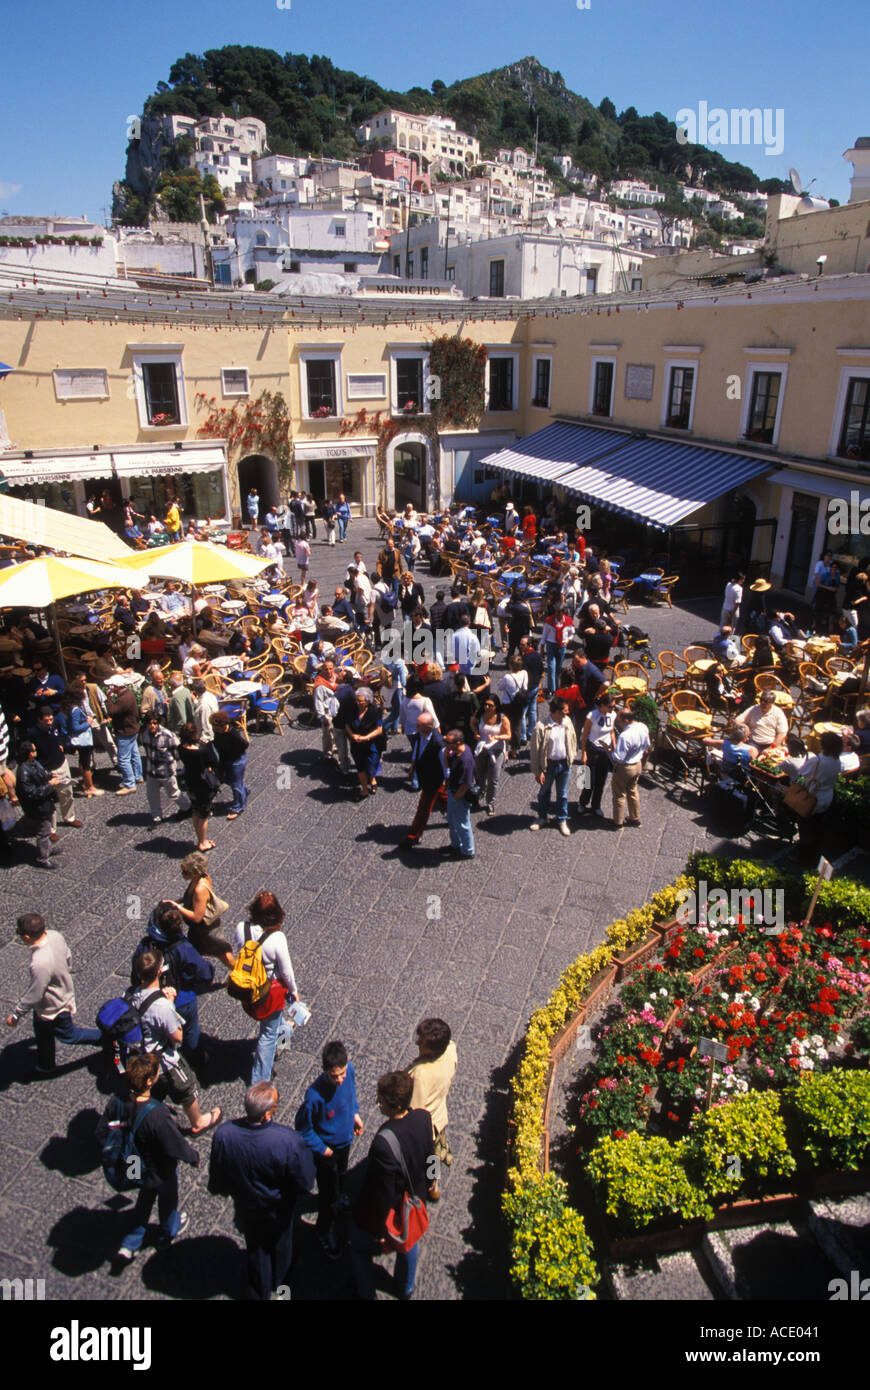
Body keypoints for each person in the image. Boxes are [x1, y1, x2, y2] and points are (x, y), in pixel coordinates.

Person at [208, 1081, 314, 1301]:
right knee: (282, 1243)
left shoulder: (225, 1134)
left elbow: (218, 1175)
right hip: (278, 1207)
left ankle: (260, 1293)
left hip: (247, 1206)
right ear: (266, 1115)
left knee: (256, 1250)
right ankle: (281, 1282)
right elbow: (305, 1181)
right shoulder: (288, 1140)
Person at [97, 1054, 199, 1263]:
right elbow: (174, 1144)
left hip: (134, 1164)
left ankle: (130, 1243)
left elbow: (100, 1133)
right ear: (149, 1081)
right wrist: (192, 1157)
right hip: (160, 1169)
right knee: (168, 1201)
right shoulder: (157, 1114)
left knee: (144, 1201)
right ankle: (166, 1234)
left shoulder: (116, 1101)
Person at [351, 1070, 437, 1301]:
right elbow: (432, 1155)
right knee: (410, 1240)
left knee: (358, 1247)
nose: (378, 1103)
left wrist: (379, 1231)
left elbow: (383, 1193)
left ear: (393, 1105)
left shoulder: (384, 1141)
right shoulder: (423, 1117)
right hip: (417, 1196)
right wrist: (431, 1183)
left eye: (381, 1100)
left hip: (397, 1204)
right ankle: (405, 1287)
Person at [129, 947, 221, 1135]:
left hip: (142, 1053)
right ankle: (198, 1122)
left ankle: (143, 1113)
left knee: (153, 1090)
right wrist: (170, 1001)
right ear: (159, 971)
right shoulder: (162, 1006)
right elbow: (177, 1036)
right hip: (163, 1061)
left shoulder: (131, 994)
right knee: (186, 1087)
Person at [5, 913, 102, 1073]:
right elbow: (68, 955)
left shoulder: (39, 962)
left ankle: (105, 1038)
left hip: (54, 1006)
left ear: (27, 936)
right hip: (56, 997)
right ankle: (46, 1064)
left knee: (69, 1035)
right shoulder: (55, 936)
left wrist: (17, 1014)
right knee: (42, 1031)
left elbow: (35, 993)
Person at [297, 1040, 364, 1257]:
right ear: (324, 1070)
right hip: (327, 1150)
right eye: (334, 1076)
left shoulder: (349, 1071)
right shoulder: (314, 1096)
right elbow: (304, 1129)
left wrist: (355, 1114)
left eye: (342, 1073)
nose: (340, 1079)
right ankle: (324, 1232)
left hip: (345, 1142)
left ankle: (341, 1197)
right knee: (327, 1196)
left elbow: (351, 1093)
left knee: (342, 1175)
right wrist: (322, 1149)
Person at [132, 901, 213, 1068]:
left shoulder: (146, 945)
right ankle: (196, 1060)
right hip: (183, 999)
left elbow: (136, 972)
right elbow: (204, 973)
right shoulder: (183, 947)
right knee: (190, 1030)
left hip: (153, 1000)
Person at [231, 891, 299, 1086]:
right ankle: (259, 1082)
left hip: (247, 989)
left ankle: (285, 1036)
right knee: (268, 1034)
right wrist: (294, 991)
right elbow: (286, 972)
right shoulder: (277, 938)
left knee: (274, 1023)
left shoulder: (241, 928)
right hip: (270, 993)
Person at [407, 1019, 457, 1198]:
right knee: (434, 1155)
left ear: (433, 1050)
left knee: (426, 1156)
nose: (417, 1042)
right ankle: (434, 1185)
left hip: (426, 1126)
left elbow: (415, 1109)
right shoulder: (450, 1049)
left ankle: (427, 1184)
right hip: (439, 1116)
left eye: (422, 1042)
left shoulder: (420, 1073)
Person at [169, 851, 234, 968]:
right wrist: (177, 901)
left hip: (207, 931)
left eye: (186, 872)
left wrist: (177, 907)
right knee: (193, 952)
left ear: (196, 873)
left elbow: (197, 917)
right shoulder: (202, 877)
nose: (182, 874)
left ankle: (241, 977)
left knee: (223, 954)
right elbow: (191, 898)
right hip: (197, 930)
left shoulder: (200, 890)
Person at [28, 705, 82, 828]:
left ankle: (69, 817)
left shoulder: (55, 724)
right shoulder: (33, 733)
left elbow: (64, 735)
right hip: (47, 768)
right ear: (39, 720)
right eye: (46, 720)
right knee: (49, 799)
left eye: (51, 719)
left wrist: (62, 744)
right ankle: (51, 828)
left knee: (67, 793)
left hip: (61, 763)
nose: (49, 722)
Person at [399, 713, 447, 851]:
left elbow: (445, 765)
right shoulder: (421, 735)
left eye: (419, 725)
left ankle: (413, 836)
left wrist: (447, 780)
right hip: (424, 775)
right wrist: (413, 767)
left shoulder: (438, 743)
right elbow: (417, 751)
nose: (416, 726)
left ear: (429, 727)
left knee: (423, 809)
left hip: (432, 779)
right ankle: (453, 811)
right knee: (442, 796)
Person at [530, 697, 576, 834]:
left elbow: (573, 740)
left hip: (564, 764)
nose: (566, 715)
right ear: (555, 711)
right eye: (564, 712)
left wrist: (571, 757)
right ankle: (542, 817)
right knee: (544, 793)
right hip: (548, 765)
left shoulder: (567, 722)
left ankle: (562, 820)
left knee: (563, 794)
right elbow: (535, 751)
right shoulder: (541, 727)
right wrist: (538, 772)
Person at [14, 741, 64, 869]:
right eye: (34, 750)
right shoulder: (24, 771)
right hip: (37, 807)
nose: (36, 751)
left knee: (46, 827)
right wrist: (50, 785)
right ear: (29, 754)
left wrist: (50, 775)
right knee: (44, 831)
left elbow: (41, 772)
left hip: (44, 803)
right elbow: (32, 793)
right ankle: (43, 858)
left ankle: (46, 849)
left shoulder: (33, 763)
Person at [177, 721, 220, 851]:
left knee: (196, 810)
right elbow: (212, 762)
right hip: (203, 785)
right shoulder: (201, 752)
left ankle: (200, 838)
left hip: (190, 783)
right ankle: (203, 842)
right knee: (204, 815)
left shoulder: (181, 748)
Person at [139, 713, 187, 825]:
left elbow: (177, 752)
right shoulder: (144, 734)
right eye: (149, 723)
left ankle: (187, 808)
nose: (152, 726)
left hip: (166, 771)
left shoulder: (167, 735)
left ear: (158, 723)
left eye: (155, 723)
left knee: (174, 793)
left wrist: (172, 764)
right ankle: (156, 817)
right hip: (152, 771)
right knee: (152, 795)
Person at [610, 705, 651, 828]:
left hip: (625, 768)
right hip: (638, 765)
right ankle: (635, 818)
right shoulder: (643, 727)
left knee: (619, 795)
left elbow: (618, 757)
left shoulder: (625, 735)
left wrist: (609, 750)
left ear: (626, 720)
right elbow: (647, 745)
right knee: (633, 791)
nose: (618, 724)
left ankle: (617, 822)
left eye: (619, 722)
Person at [578, 689, 616, 818]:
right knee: (588, 779)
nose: (612, 709)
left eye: (613, 706)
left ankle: (596, 805)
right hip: (592, 748)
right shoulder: (592, 715)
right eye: (610, 707)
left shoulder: (613, 715)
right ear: (602, 705)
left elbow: (611, 731)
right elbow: (584, 735)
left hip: (605, 751)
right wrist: (583, 753)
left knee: (601, 781)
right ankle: (582, 802)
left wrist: (614, 745)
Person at [471, 695, 510, 816]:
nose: (487, 707)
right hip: (482, 748)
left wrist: (497, 737)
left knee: (493, 779)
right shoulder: (480, 713)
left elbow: (508, 735)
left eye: (490, 705)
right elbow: (472, 722)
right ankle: (482, 791)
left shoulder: (502, 718)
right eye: (486, 704)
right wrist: (476, 732)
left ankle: (490, 802)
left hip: (497, 750)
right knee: (480, 775)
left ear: (496, 706)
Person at [441, 728, 475, 860]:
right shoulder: (455, 752)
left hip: (459, 795)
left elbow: (466, 784)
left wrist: (455, 797)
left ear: (458, 742)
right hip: (453, 791)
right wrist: (446, 752)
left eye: (449, 743)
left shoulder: (465, 761)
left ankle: (468, 850)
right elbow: (447, 765)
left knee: (462, 822)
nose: (446, 745)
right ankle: (455, 844)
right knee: (451, 819)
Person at [105, 674, 143, 795]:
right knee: (134, 753)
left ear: (117, 687)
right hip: (133, 729)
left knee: (123, 759)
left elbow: (112, 711)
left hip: (125, 731)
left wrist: (109, 698)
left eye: (112, 686)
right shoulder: (129, 694)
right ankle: (138, 776)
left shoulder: (123, 699)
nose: (111, 688)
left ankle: (129, 784)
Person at [348, 686, 385, 800]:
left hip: (372, 744)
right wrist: (352, 735)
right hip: (357, 745)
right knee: (360, 767)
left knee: (371, 764)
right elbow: (347, 724)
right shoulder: (352, 710)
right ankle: (364, 789)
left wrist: (366, 737)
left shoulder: (375, 711)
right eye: (357, 700)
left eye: (360, 701)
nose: (358, 703)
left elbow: (379, 729)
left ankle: (372, 778)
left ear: (368, 701)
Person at [211, 710, 249, 820]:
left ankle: (239, 806)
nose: (215, 730)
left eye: (217, 728)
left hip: (236, 760)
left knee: (236, 784)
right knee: (229, 780)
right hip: (226, 760)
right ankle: (243, 790)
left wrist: (231, 751)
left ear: (224, 726)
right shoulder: (218, 732)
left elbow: (244, 744)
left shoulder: (233, 734)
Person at [733, 689, 789, 754]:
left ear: (772, 703)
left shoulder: (778, 712)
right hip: (753, 742)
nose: (762, 703)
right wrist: (746, 729)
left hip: (770, 743)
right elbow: (737, 721)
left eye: (766, 701)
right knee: (751, 754)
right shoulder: (754, 709)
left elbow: (782, 733)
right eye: (761, 700)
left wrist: (771, 748)